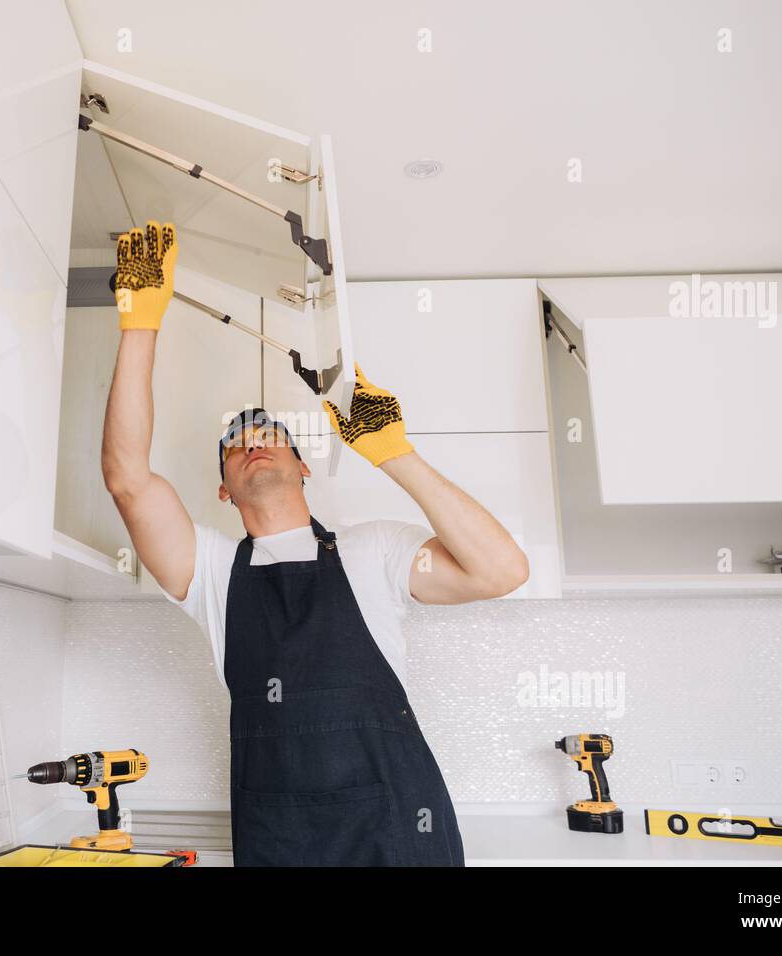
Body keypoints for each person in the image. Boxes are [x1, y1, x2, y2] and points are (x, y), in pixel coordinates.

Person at [100, 221, 529, 866]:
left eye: (270, 433)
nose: (252, 440)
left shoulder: (375, 551)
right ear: (223, 491)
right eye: (235, 444)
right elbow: (127, 480)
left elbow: (503, 571)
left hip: (398, 831)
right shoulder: (209, 571)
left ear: (303, 466)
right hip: (280, 842)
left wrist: (392, 452)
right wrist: (140, 322)